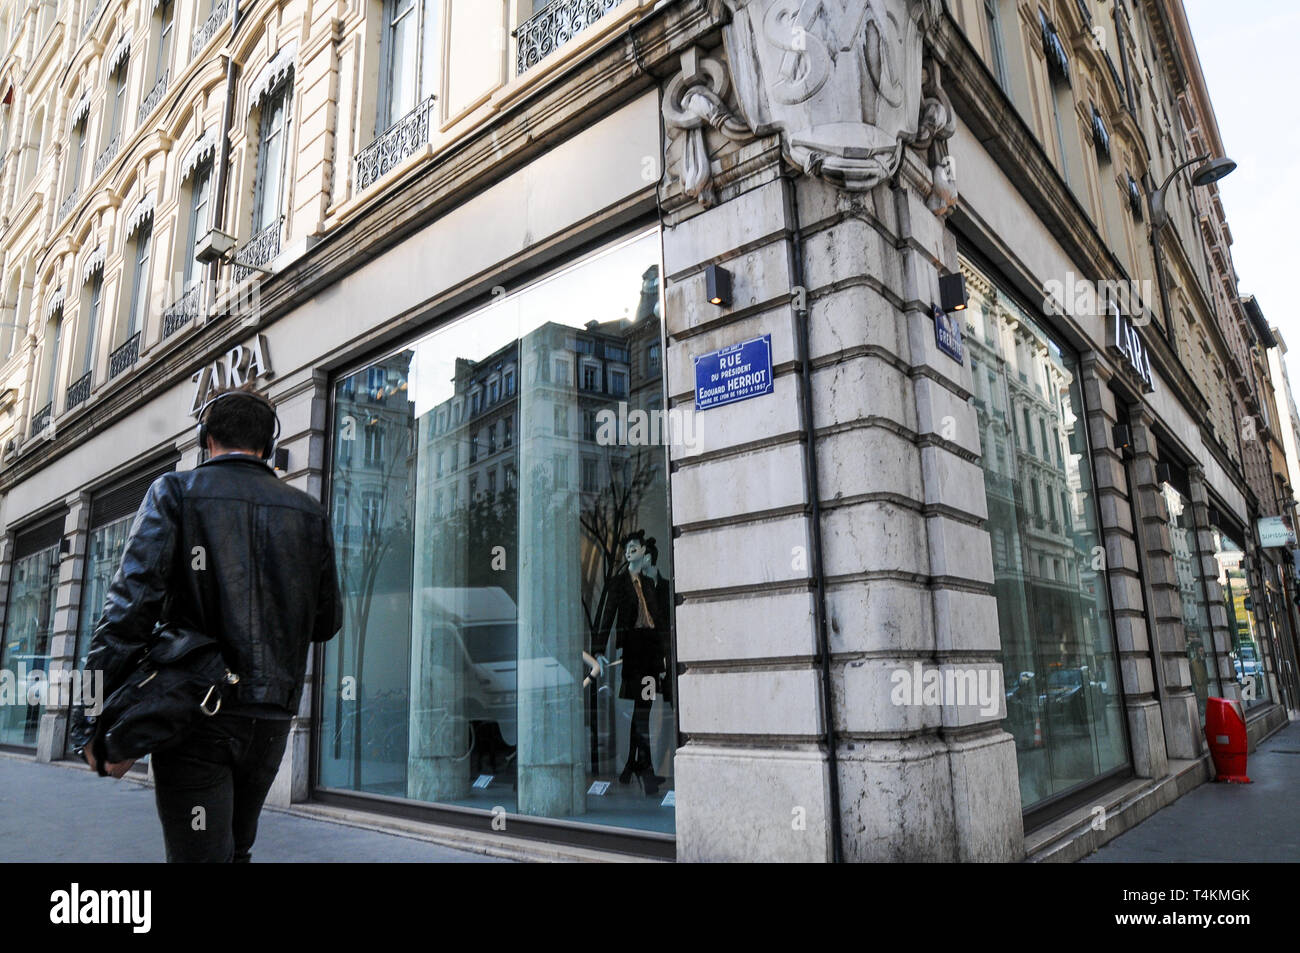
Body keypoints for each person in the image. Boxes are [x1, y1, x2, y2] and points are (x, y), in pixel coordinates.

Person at [68, 384, 343, 862]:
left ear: (204, 438)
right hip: (271, 716)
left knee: (198, 855)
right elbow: (326, 621)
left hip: (195, 710)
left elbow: (127, 611)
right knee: (236, 850)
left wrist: (88, 715)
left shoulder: (176, 492)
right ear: (268, 446)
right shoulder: (308, 512)